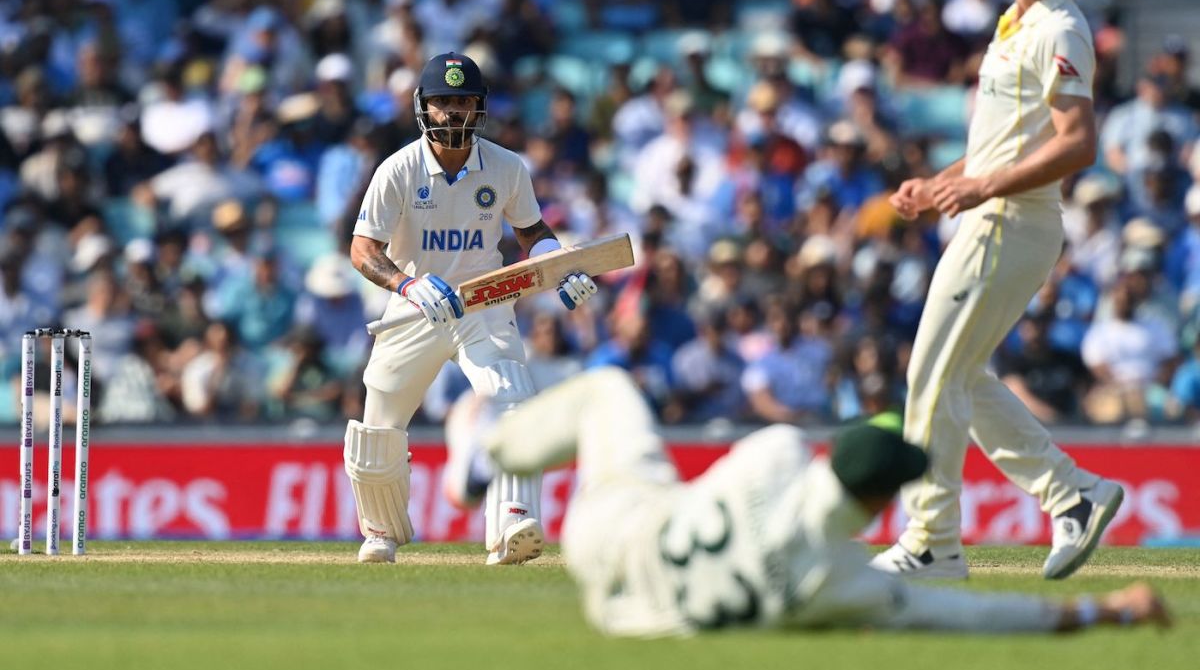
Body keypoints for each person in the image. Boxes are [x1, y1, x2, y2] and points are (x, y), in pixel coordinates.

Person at [476, 367, 1170, 637]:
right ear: (876, 503)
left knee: (607, 392)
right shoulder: (843, 583)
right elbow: (972, 612)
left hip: (610, 531)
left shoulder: (777, 450)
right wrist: (1101, 609)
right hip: (626, 615)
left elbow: (707, 492)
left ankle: (489, 453)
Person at [875, 0, 1123, 580]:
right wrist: (937, 184)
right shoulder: (1014, 22)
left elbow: (1078, 144)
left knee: (931, 374)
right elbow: (997, 148)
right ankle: (1072, 493)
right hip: (994, 217)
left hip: (1011, 222)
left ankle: (933, 542)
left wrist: (982, 189)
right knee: (960, 377)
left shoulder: (1062, 28)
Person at [346, 52, 598, 565]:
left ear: (479, 108)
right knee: (380, 420)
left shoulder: (506, 166)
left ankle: (511, 522)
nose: (452, 113)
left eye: (463, 102)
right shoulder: (398, 169)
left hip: (483, 302)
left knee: (512, 395)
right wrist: (408, 285)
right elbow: (363, 248)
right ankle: (380, 532)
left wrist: (559, 267)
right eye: (442, 103)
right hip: (416, 309)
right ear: (424, 108)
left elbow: (533, 234)